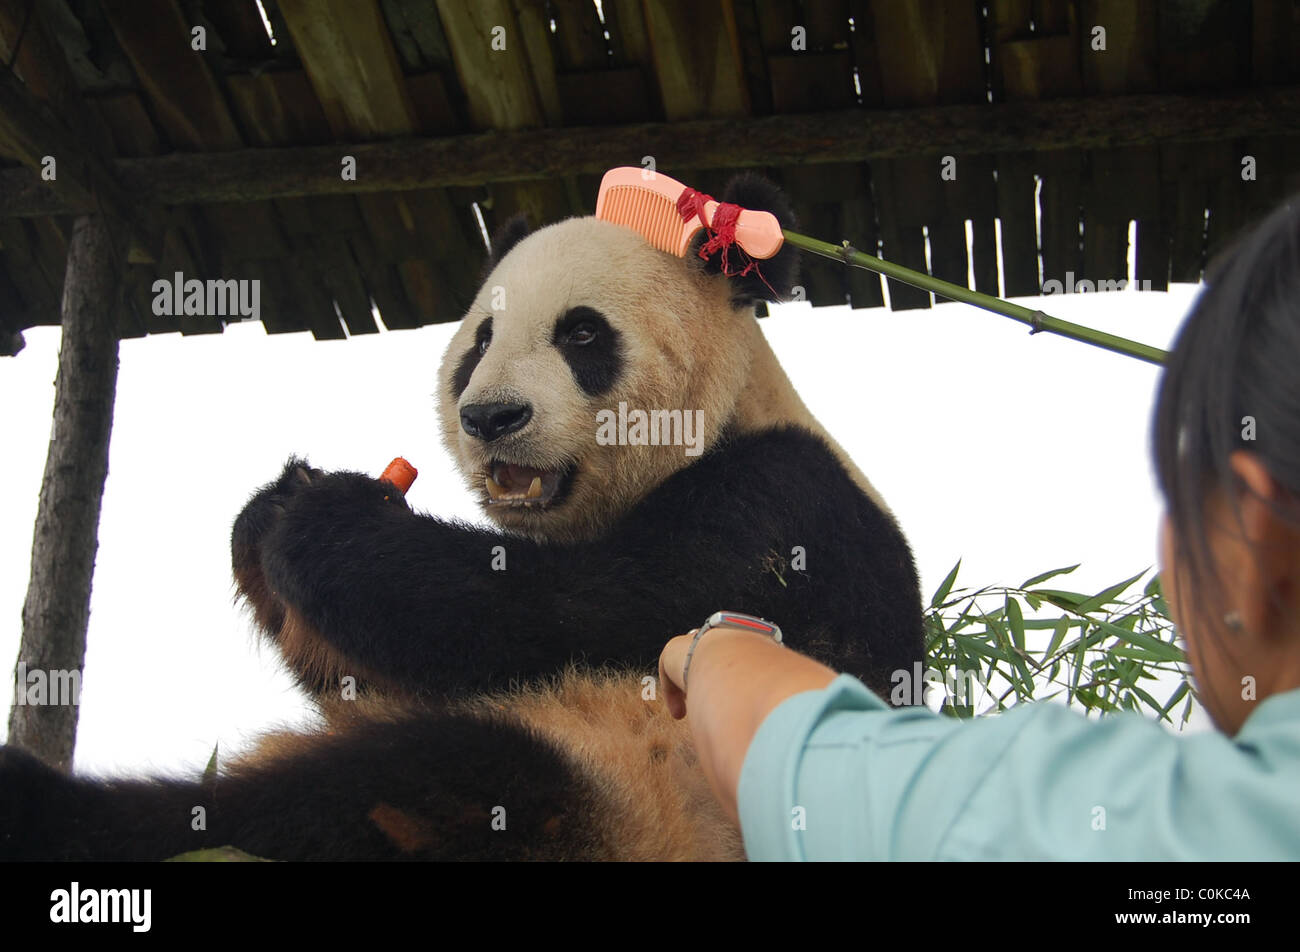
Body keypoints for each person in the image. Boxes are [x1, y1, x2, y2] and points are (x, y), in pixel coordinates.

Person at [657, 196, 1300, 861]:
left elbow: (775, 746)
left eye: (1179, 499)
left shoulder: (1158, 831)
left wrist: (706, 649)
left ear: (1254, 541)